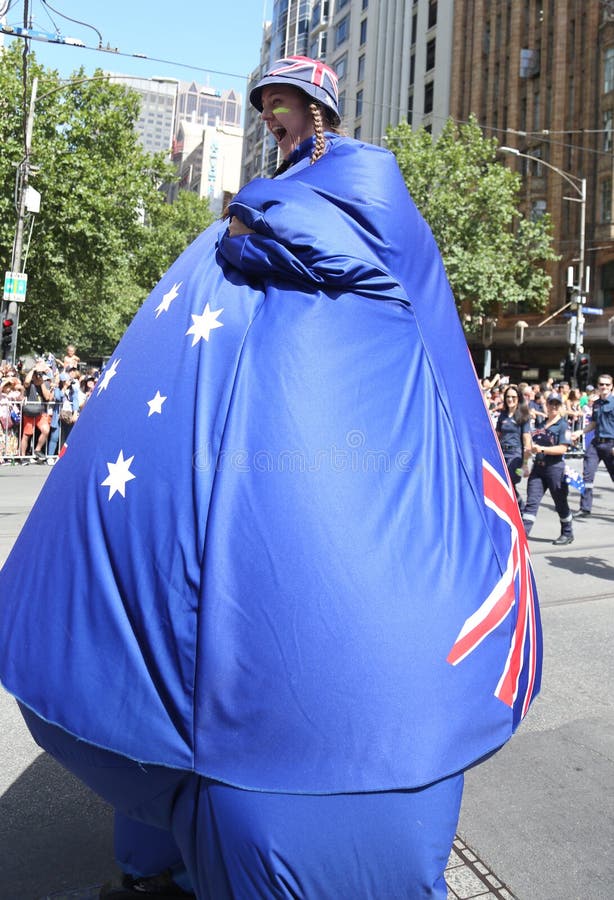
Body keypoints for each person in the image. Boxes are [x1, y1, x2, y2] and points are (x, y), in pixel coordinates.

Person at [0, 56, 542, 900]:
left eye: (285, 106)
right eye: (266, 110)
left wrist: (259, 224)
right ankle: (162, 852)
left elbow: (349, 254)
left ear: (318, 110)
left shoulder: (352, 190)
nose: (272, 120)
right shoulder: (262, 210)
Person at [522, 392, 574, 545]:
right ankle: (523, 534)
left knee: (560, 502)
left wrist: (542, 449)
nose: (553, 406)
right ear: (546, 404)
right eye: (551, 403)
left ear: (561, 406)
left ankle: (567, 532)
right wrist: (527, 457)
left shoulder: (564, 425)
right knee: (531, 502)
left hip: (555, 469)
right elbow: (532, 445)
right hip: (538, 468)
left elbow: (563, 449)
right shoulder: (541, 424)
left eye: (557, 404)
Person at [572, 373, 614, 518]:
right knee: (587, 477)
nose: (604, 387)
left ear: (611, 386)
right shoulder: (596, 404)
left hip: (611, 445)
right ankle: (585, 508)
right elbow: (594, 423)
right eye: (601, 384)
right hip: (596, 444)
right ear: (598, 386)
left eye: (607, 384)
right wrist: (580, 432)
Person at [495, 385, 532, 510]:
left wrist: (525, 463)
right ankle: (514, 509)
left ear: (518, 399)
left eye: (513, 397)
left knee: (510, 482)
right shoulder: (503, 415)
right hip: (502, 454)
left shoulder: (523, 415)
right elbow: (497, 435)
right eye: (508, 397)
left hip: (516, 456)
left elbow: (527, 439)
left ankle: (520, 508)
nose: (510, 399)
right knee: (503, 482)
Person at [19, 363, 53, 461]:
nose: (38, 376)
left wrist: (41, 382)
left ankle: (37, 449)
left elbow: (47, 397)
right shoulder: (30, 383)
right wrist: (33, 369)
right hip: (29, 411)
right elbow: (26, 382)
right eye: (37, 374)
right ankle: (23, 456)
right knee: (27, 434)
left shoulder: (45, 383)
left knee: (46, 430)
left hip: (40, 412)